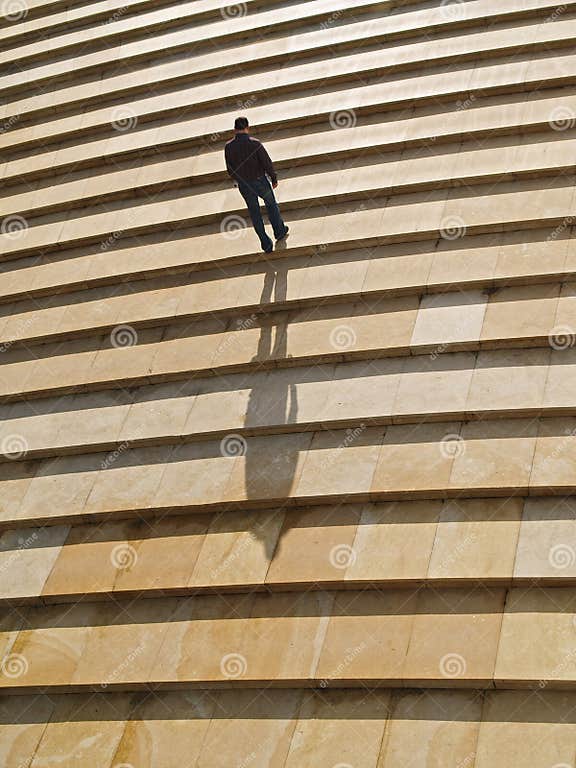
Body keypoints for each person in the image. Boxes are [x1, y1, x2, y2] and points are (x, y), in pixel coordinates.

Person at [224, 116, 289, 253]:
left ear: (234, 130)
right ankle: (279, 231)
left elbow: (230, 169)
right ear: (247, 128)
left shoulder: (228, 147)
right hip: (260, 181)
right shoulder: (255, 143)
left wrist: (238, 180)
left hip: (245, 185)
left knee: (255, 213)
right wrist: (274, 178)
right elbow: (266, 162)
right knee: (271, 205)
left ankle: (266, 244)